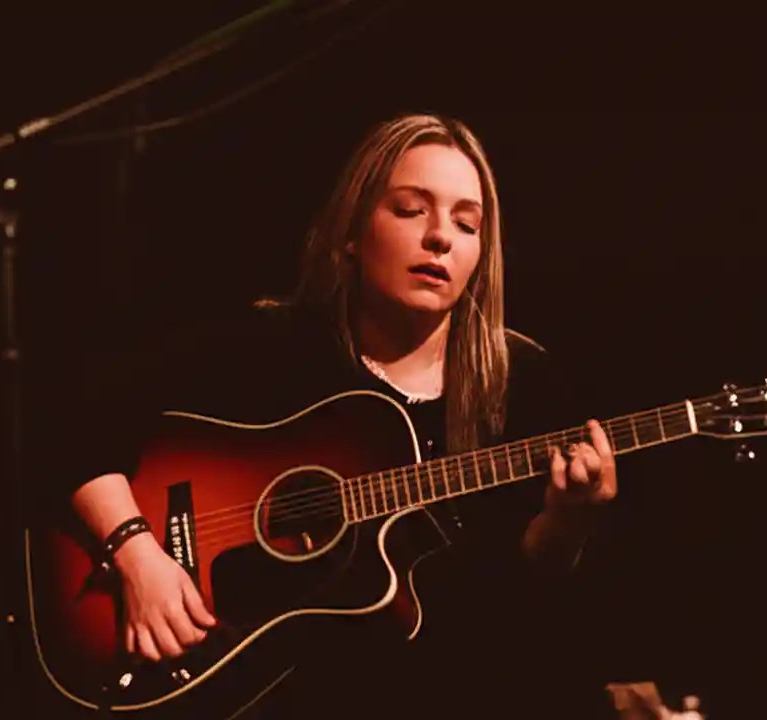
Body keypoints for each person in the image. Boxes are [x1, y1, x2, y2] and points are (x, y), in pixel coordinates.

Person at [49, 113, 618, 717]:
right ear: (352, 231)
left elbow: (525, 595)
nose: (440, 238)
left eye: (466, 222)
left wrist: (568, 521)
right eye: (409, 210)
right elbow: (69, 425)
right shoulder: (272, 348)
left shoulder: (523, 381)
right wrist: (139, 556)